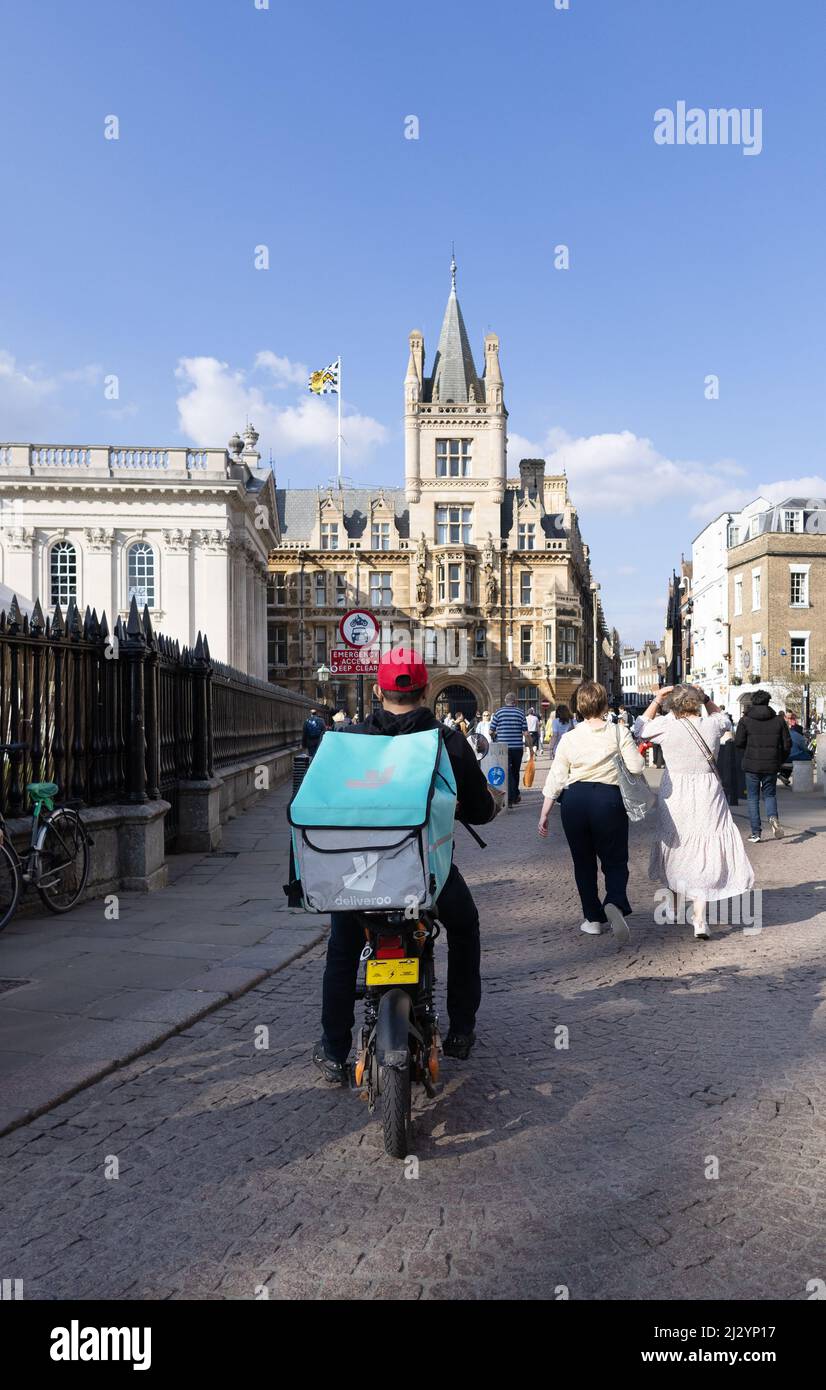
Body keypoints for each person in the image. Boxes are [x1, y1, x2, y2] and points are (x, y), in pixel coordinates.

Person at [313, 648, 501, 1083]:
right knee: (465, 927)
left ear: (378, 690)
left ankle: (333, 1049)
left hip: (361, 874)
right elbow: (475, 808)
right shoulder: (447, 741)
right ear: (424, 690)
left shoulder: (351, 740)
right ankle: (462, 1030)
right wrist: (487, 809)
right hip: (425, 875)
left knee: (342, 948)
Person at [634, 684, 754, 940]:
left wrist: (656, 699)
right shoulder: (710, 724)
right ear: (696, 703)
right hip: (707, 790)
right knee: (705, 851)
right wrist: (707, 697)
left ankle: (676, 904)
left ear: (673, 705)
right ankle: (699, 918)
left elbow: (639, 728)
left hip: (676, 791)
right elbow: (725, 720)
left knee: (677, 845)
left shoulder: (667, 725)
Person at [538, 681, 643, 942]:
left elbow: (556, 777)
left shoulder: (570, 737)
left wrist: (544, 814)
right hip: (608, 799)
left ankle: (593, 919)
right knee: (615, 859)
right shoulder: (618, 732)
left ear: (579, 707)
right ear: (605, 704)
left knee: (583, 863)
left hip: (574, 801)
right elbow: (638, 767)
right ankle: (615, 902)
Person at [734, 690, 791, 842]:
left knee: (753, 798)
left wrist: (746, 753)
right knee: (770, 795)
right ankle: (773, 818)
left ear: (753, 702)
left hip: (751, 765)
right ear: (768, 702)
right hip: (771, 765)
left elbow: (738, 742)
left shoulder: (745, 720)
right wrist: (779, 760)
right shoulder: (779, 720)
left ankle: (756, 833)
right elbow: (787, 745)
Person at [490, 693, 528, 807]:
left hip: (503, 748)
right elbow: (526, 733)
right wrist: (531, 749)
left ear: (505, 700)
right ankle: (514, 796)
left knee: (507, 772)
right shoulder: (521, 713)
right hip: (517, 747)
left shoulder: (498, 712)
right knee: (515, 772)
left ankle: (511, 797)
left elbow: (490, 731)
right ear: (515, 701)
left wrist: (497, 735)